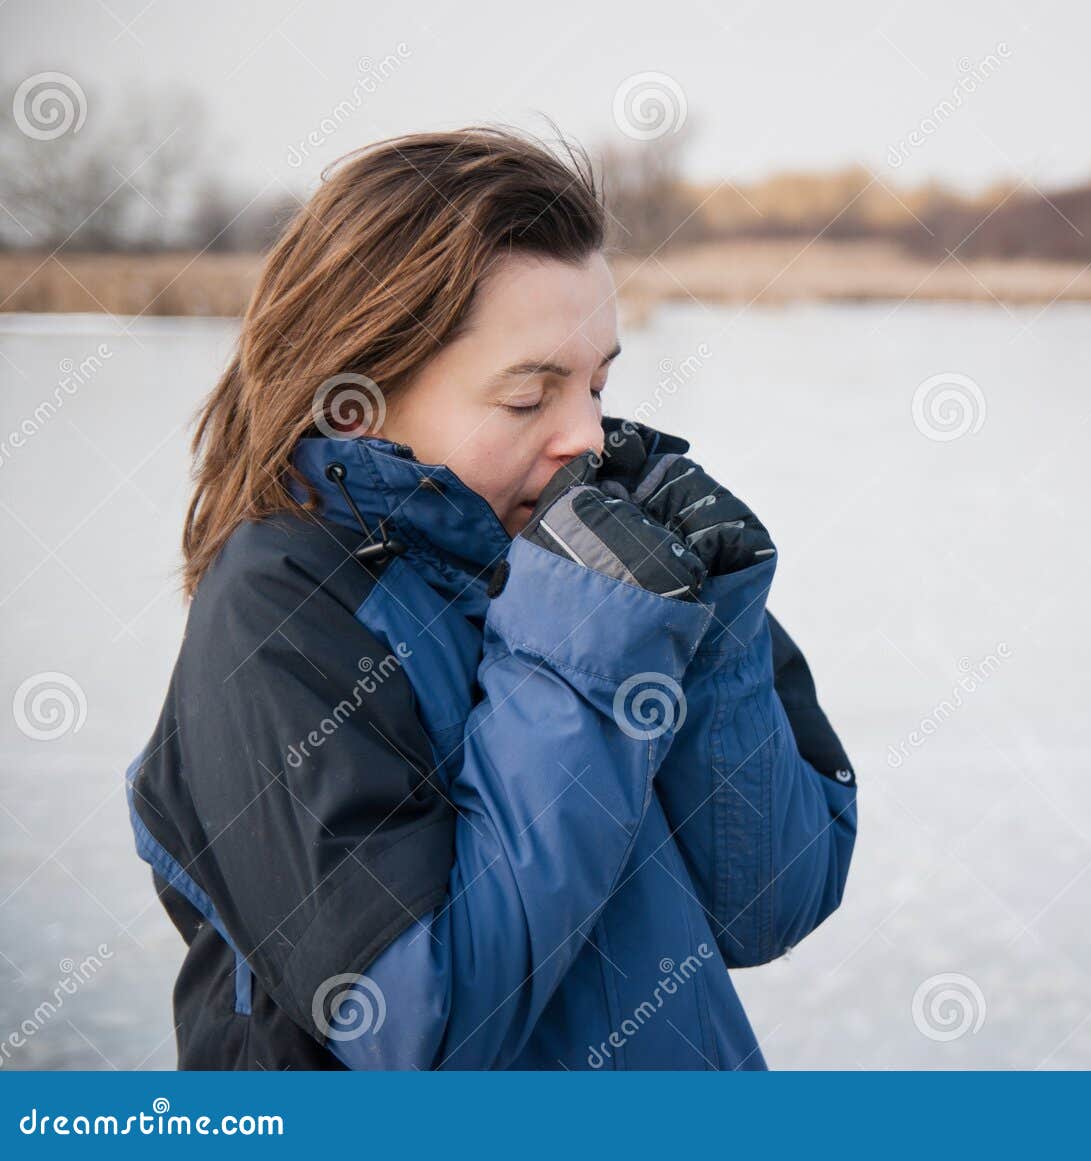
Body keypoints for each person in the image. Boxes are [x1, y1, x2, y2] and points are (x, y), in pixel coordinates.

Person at [123, 126, 858, 1070]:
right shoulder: (280, 608)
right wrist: (581, 645)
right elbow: (420, 1032)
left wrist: (712, 628)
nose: (589, 437)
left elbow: (771, 902)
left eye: (597, 383)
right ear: (360, 388)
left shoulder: (587, 562)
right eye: (527, 398)